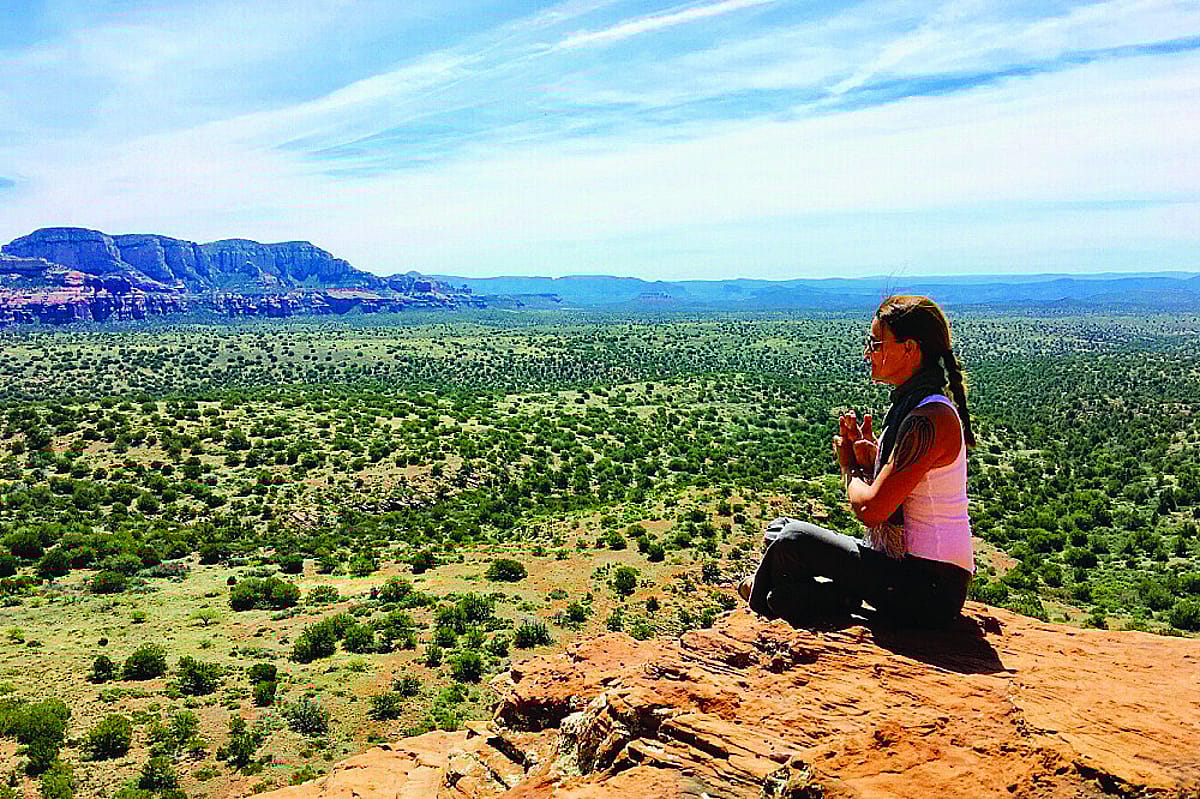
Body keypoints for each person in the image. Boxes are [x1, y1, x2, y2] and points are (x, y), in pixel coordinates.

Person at [741, 295, 976, 628]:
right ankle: (818, 597)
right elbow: (904, 496)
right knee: (779, 529)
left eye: (876, 344)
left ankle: (772, 595)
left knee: (792, 539)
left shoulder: (929, 418)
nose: (869, 352)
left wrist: (850, 466)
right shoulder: (917, 408)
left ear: (910, 349)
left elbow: (872, 510)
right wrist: (872, 463)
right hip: (910, 573)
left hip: (930, 588)